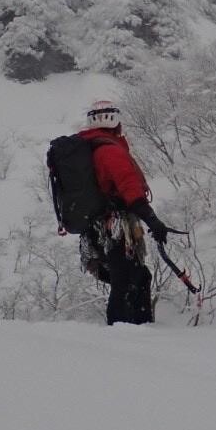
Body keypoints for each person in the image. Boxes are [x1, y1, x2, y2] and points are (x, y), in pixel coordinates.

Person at [76, 98, 179, 324]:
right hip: (114, 227)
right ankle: (123, 336)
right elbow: (130, 190)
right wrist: (153, 222)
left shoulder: (89, 147)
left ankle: (140, 329)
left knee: (139, 277)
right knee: (125, 279)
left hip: (95, 227)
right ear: (116, 121)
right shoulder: (109, 150)